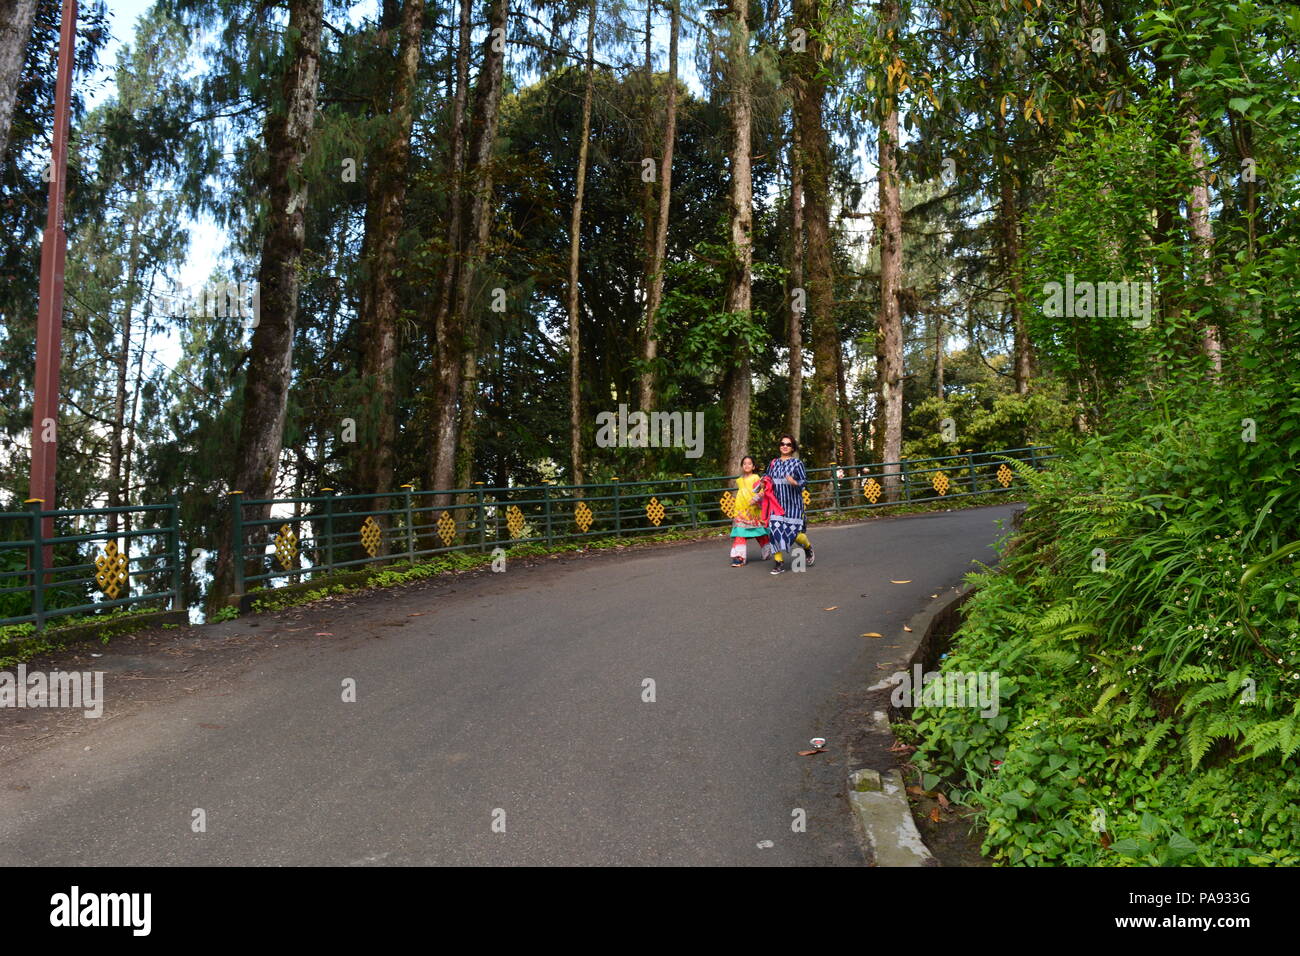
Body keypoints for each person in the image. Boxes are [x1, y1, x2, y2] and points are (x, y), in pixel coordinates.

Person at [766, 434, 815, 575]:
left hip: (793, 505)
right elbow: (767, 477)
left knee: (793, 535)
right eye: (782, 443)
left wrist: (795, 483)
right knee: (774, 532)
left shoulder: (797, 464)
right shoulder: (773, 463)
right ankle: (779, 563)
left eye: (788, 444)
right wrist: (763, 482)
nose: (785, 446)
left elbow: (804, 481)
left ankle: (807, 547)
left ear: (792, 447)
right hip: (776, 505)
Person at [728, 455, 773, 566]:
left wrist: (756, 498)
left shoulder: (756, 478)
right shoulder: (739, 480)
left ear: (753, 466)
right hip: (741, 511)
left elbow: (763, 491)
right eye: (744, 463)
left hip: (753, 511)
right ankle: (739, 557)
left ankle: (767, 551)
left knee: (760, 533)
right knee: (740, 533)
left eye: (749, 463)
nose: (746, 465)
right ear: (742, 466)